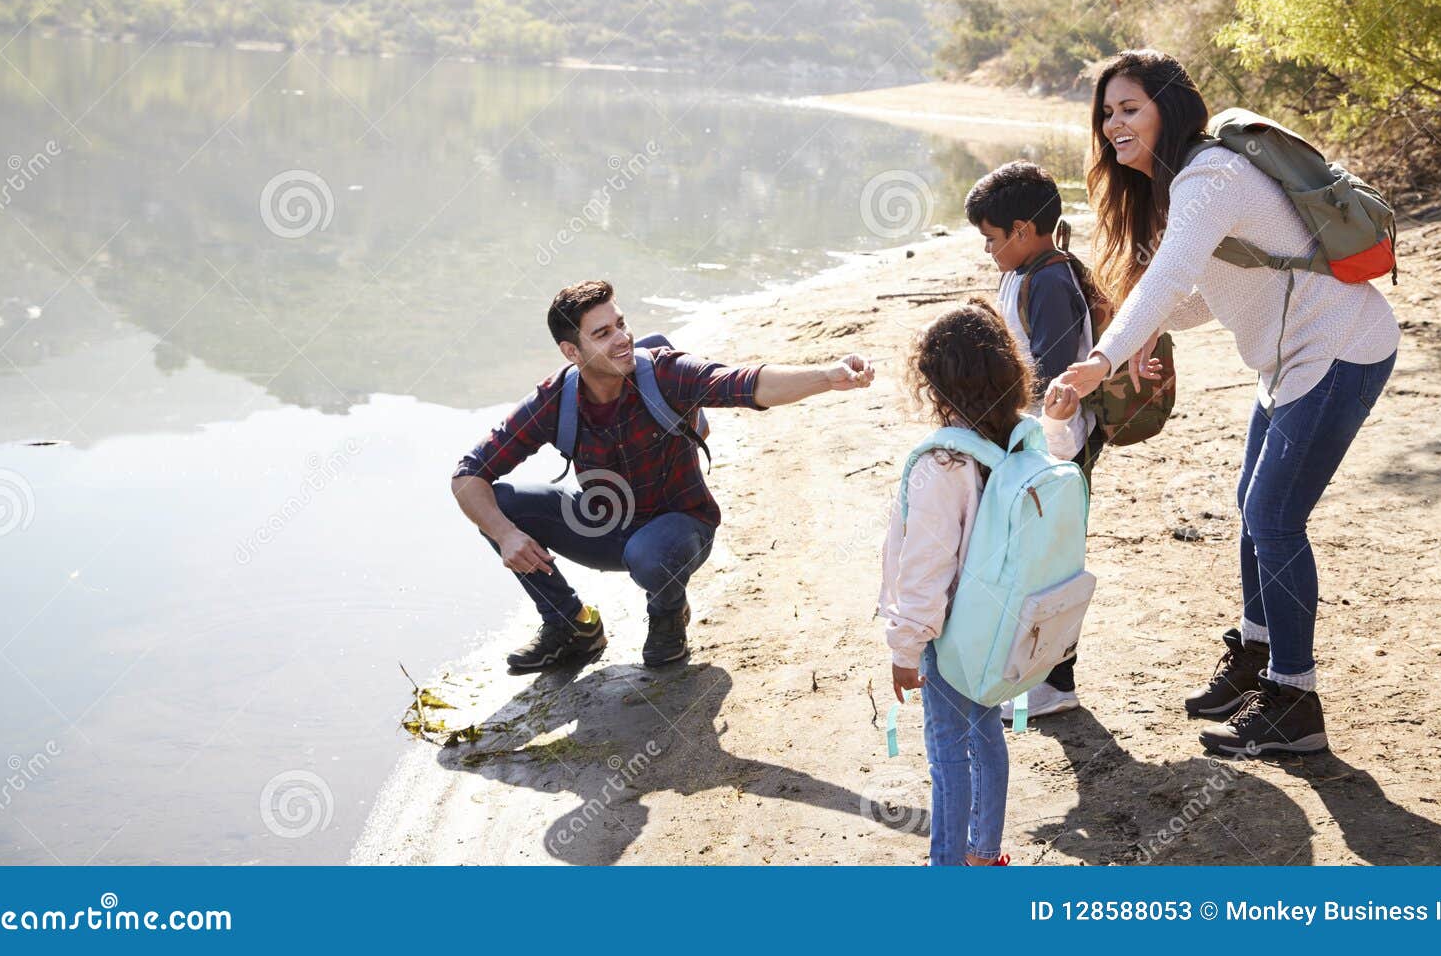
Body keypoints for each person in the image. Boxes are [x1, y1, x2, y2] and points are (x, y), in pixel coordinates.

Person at [1054, 50, 1399, 757]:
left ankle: (1295, 701)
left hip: (1341, 347)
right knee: (1254, 504)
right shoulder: (1184, 185)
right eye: (1108, 113)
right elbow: (1196, 297)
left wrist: (1099, 360)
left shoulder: (1210, 176)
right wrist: (1142, 330)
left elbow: (1169, 278)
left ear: (1167, 109)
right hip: (1294, 358)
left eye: (1130, 108)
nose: (1115, 124)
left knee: (1275, 516)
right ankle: (1257, 657)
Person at [451, 279, 875, 672]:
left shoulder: (665, 371)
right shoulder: (554, 399)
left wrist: (827, 376)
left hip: (679, 528)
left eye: (621, 324)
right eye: (602, 334)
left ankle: (668, 615)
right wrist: (505, 534)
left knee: (650, 556)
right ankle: (571, 625)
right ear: (572, 352)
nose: (622, 338)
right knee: (499, 503)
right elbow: (468, 474)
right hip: (605, 526)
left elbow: (744, 383)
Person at [880, 299, 1084, 865]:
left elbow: (925, 571)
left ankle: (948, 868)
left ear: (935, 389)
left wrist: (906, 647)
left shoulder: (942, 465)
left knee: (947, 754)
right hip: (1002, 629)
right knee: (987, 734)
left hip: (951, 639)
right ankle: (984, 853)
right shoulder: (1023, 439)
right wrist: (1059, 422)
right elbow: (1056, 461)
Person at [966, 161, 1110, 721]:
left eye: (992, 240)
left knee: (1050, 559)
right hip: (1028, 441)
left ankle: (1054, 680)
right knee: (1026, 555)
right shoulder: (1023, 271)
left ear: (1024, 230)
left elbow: (1048, 372)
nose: (988, 251)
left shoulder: (1050, 280)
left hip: (1058, 444)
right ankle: (1032, 669)